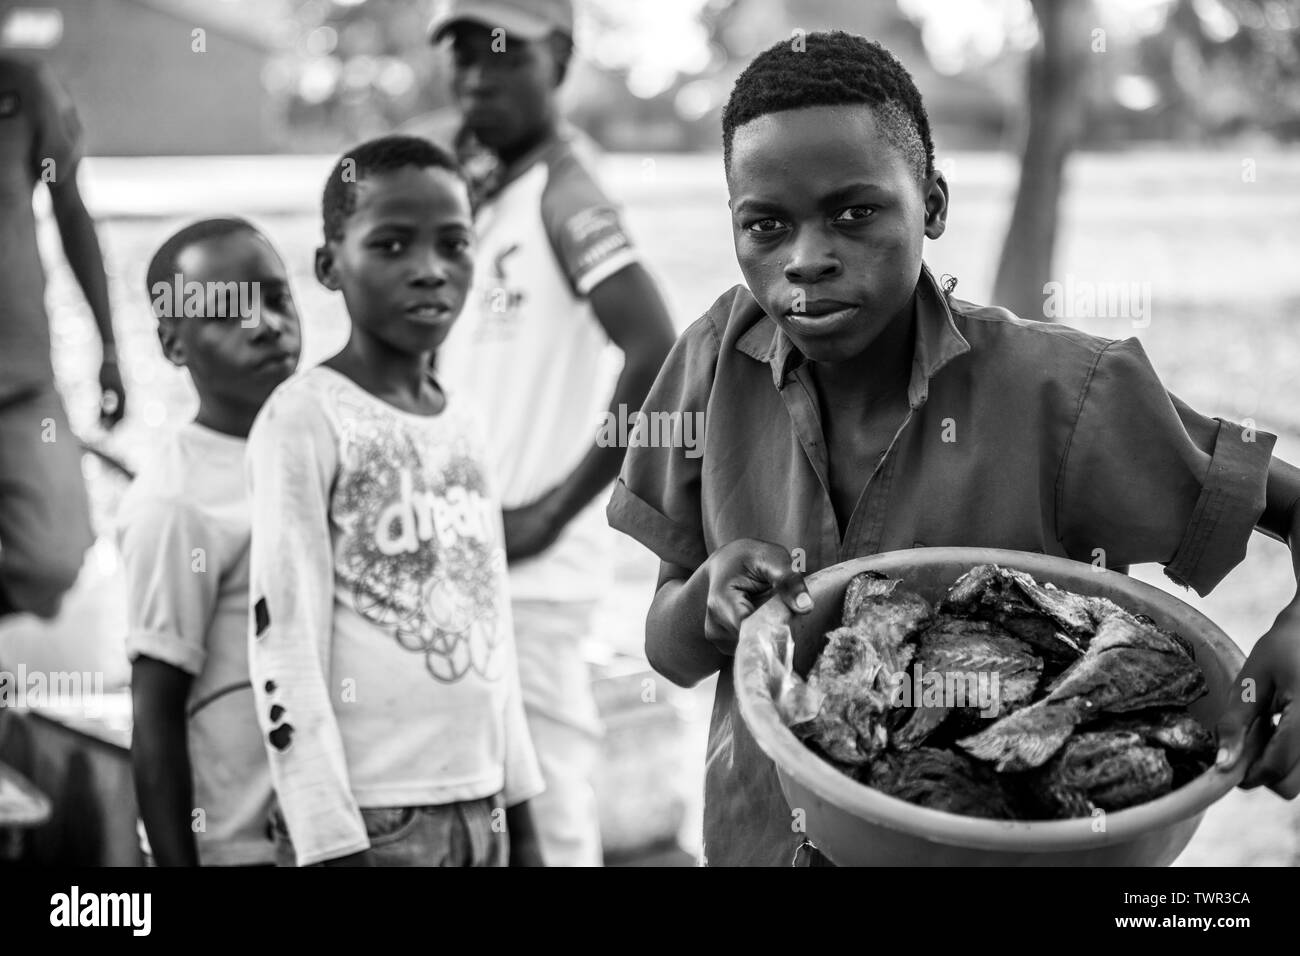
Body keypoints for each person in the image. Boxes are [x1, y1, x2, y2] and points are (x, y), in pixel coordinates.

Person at [606, 31, 1300, 866]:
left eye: (855, 213)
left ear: (932, 204)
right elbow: (667, 649)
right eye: (766, 225)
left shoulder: (1061, 393)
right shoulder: (712, 363)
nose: (807, 260)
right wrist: (705, 604)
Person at [247, 135, 544, 867]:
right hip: (372, 823)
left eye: (454, 244)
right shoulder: (305, 416)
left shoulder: (466, 420)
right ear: (329, 265)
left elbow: (490, 623)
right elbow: (282, 639)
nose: (430, 272)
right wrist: (328, 836)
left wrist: (522, 815)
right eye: (391, 245)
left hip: (482, 809)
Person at [428, 0, 677, 867]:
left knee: (548, 794)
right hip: (466, 549)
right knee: (479, 784)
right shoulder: (491, 189)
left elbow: (654, 344)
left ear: (560, 60)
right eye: (460, 56)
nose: (475, 76)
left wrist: (556, 507)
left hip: (529, 562)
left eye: (503, 55)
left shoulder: (568, 194)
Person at [122, 217, 300, 866]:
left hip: (334, 828)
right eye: (227, 312)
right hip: (242, 845)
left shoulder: (313, 450)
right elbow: (156, 714)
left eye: (277, 298)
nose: (264, 325)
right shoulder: (176, 503)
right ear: (173, 342)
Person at [0, 54, 126, 621]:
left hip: (20, 385)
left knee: (55, 561)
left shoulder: (21, 88)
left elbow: (72, 210)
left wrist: (110, 349)